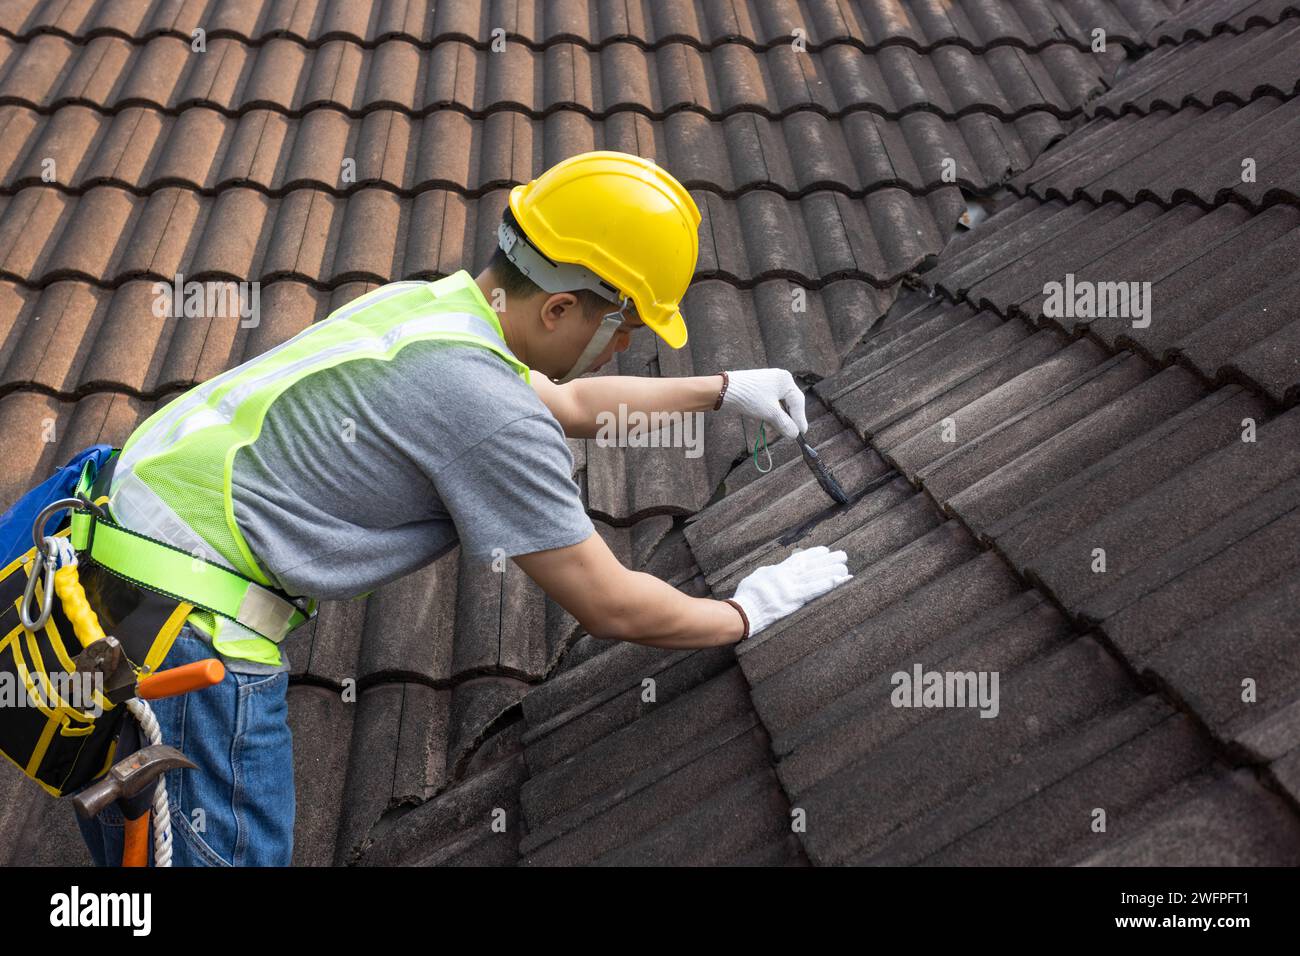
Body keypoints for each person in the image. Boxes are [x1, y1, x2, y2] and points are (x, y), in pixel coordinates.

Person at [72, 151, 852, 866]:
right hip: (183, 636)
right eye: (624, 329)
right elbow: (610, 602)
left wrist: (722, 390)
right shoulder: (486, 409)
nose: (628, 349)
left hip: (99, 572)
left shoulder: (434, 306)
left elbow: (569, 401)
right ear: (558, 311)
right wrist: (745, 613)